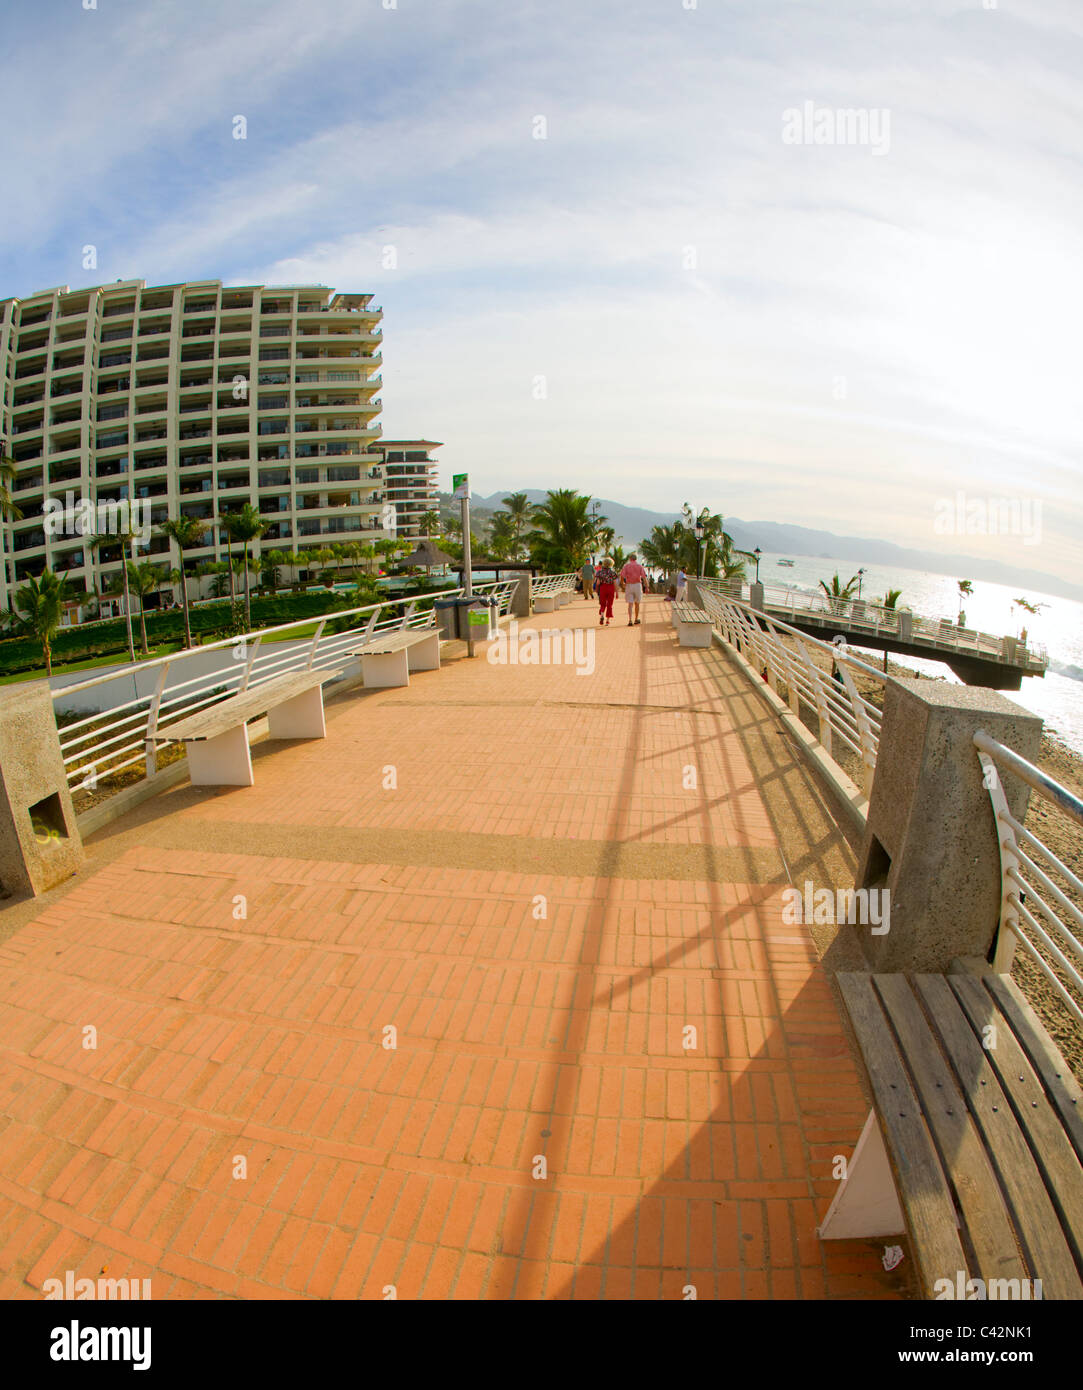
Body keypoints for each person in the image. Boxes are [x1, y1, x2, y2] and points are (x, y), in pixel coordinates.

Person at [620, 552, 648, 626]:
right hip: (637, 585)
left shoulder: (626, 566)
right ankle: (636, 619)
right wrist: (647, 586)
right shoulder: (639, 566)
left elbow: (622, 575)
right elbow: (644, 577)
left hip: (629, 585)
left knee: (630, 603)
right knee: (637, 603)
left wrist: (622, 583)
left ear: (630, 559)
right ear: (636, 559)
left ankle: (630, 620)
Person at [595, 556, 618, 625]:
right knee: (609, 604)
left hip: (603, 588)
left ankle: (602, 615)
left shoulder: (600, 572)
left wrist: (596, 589)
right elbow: (615, 583)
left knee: (602, 604)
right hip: (610, 588)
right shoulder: (613, 573)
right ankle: (607, 620)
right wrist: (616, 592)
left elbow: (598, 583)